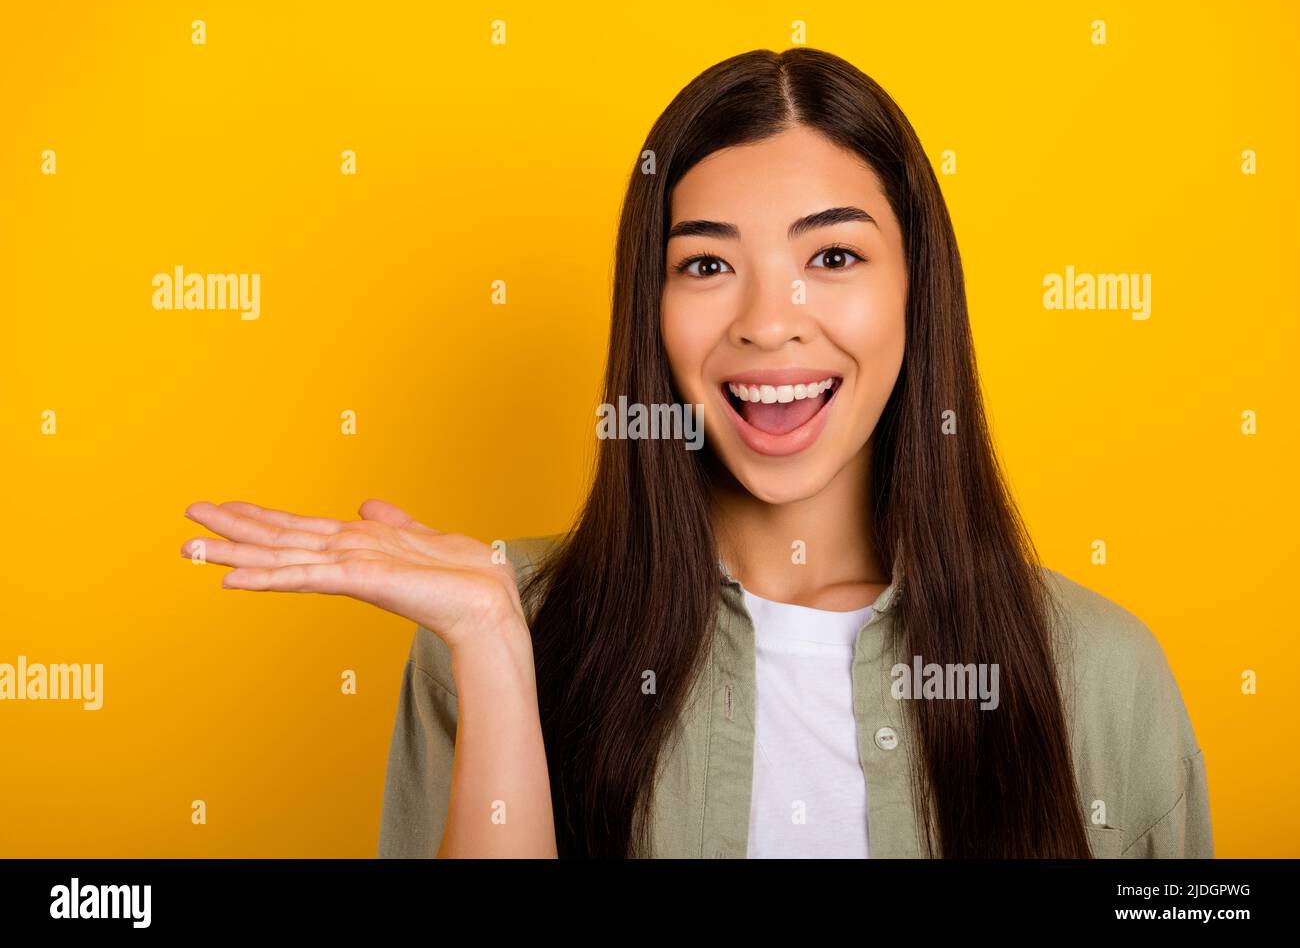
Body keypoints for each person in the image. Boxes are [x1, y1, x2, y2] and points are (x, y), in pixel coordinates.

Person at [181, 47, 1212, 859]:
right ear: (652, 308)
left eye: (833, 256)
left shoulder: (1103, 673)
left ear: (915, 293)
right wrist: (497, 651)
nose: (770, 322)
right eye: (707, 262)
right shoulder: (500, 631)